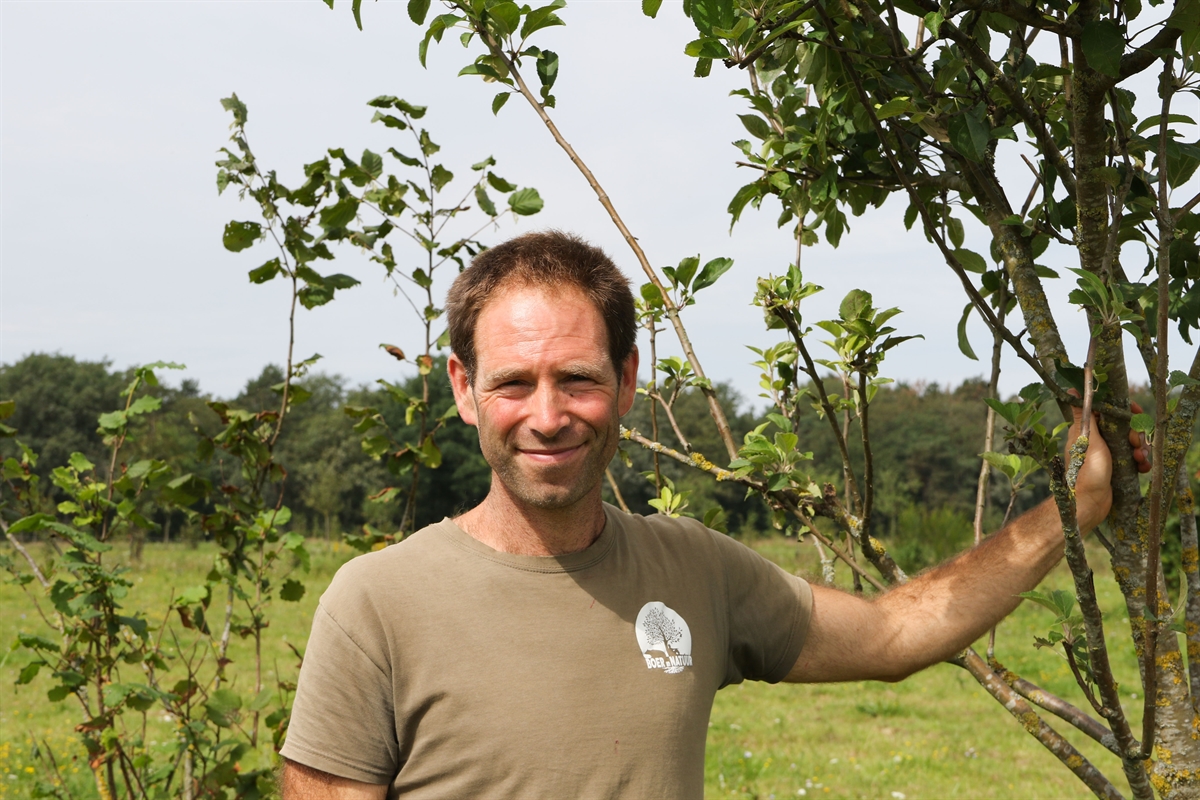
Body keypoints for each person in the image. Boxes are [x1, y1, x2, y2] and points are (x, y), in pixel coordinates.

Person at [279, 231, 1148, 799]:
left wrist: (1076, 507)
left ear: (626, 382)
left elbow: (892, 634)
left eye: (578, 378)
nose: (548, 415)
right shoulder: (376, 606)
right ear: (465, 390)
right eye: (514, 382)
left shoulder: (694, 571)